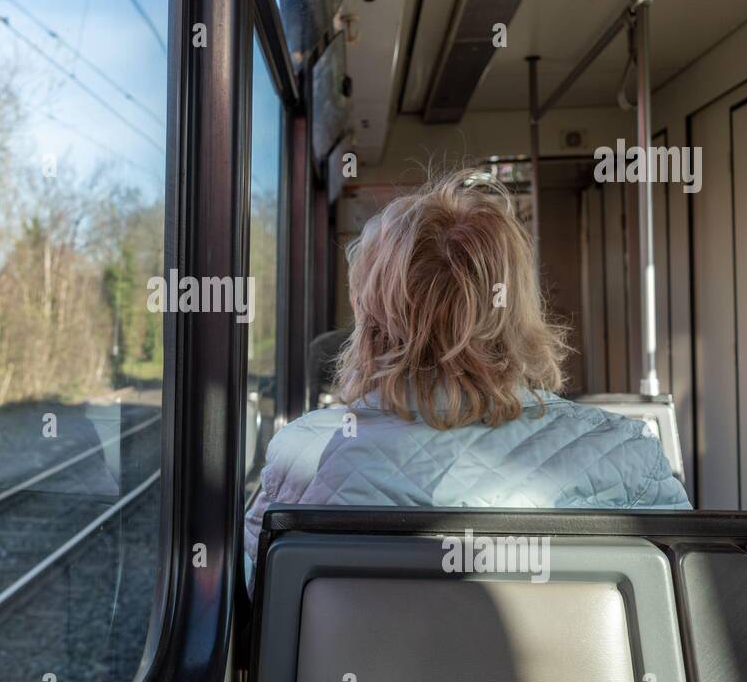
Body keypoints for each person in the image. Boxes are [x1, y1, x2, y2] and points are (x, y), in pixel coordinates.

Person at [244, 170, 689, 585]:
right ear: (518, 313)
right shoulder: (629, 458)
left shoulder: (302, 455)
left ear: (371, 319)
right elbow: (687, 615)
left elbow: (252, 610)